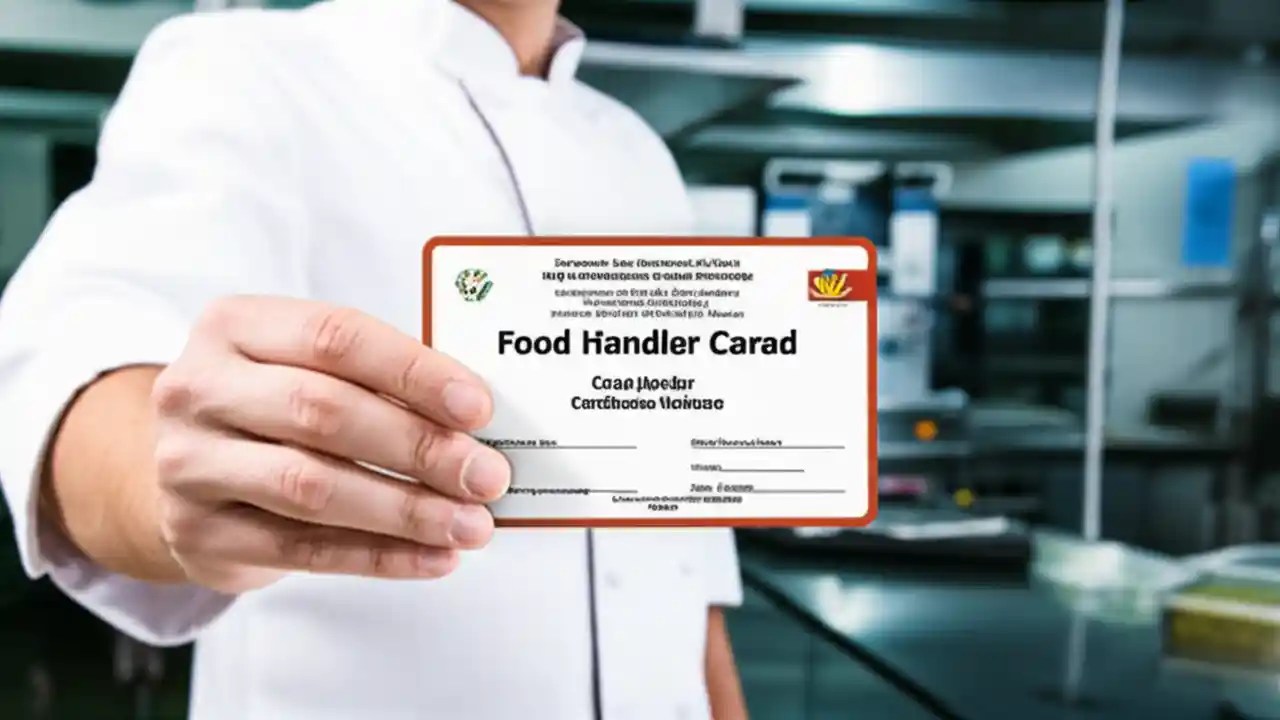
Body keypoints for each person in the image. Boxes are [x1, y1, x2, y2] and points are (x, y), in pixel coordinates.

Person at [0, 0, 748, 717]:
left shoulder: (637, 154)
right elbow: (83, 345)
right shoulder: (246, 69)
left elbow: (680, 550)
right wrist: (160, 479)